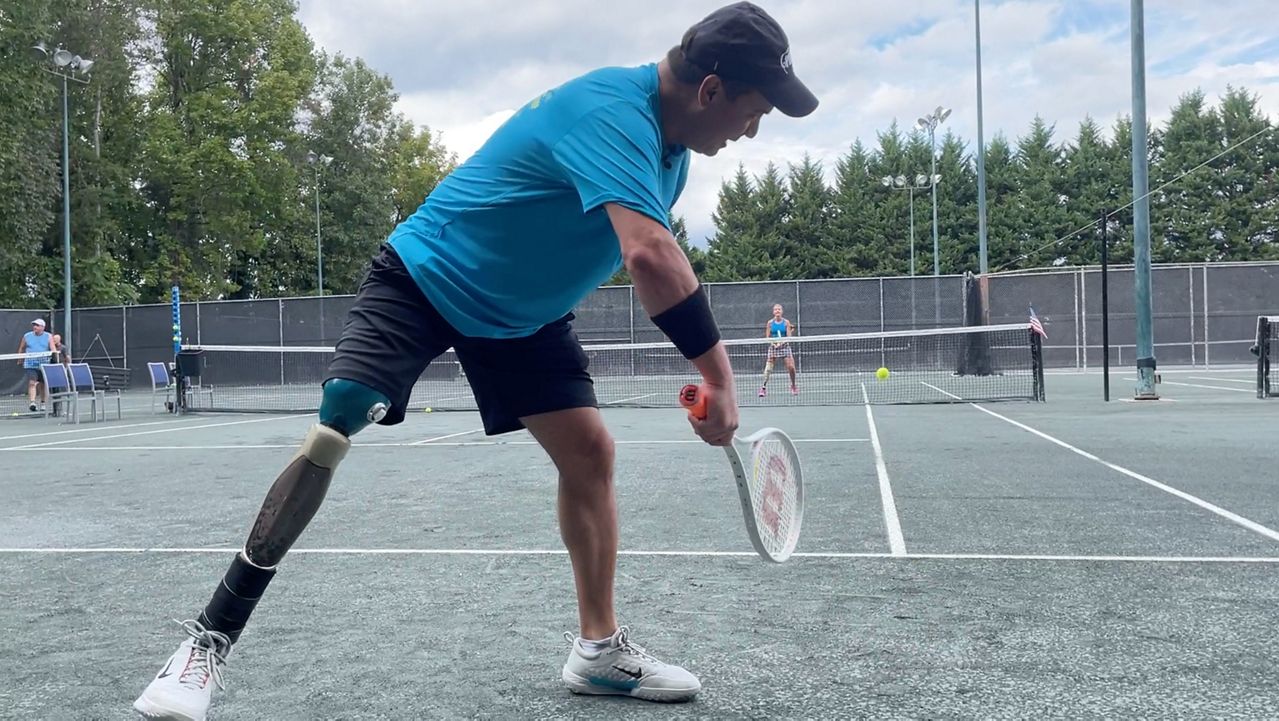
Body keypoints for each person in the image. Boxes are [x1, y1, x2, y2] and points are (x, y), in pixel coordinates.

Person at [132, 2, 817, 718]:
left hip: (521, 318)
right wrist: (718, 375)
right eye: (753, 111)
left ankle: (598, 650)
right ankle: (206, 643)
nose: (751, 129)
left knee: (590, 453)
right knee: (339, 418)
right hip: (428, 275)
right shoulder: (614, 111)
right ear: (711, 90)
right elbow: (649, 253)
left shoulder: (669, 154)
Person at [16, 318, 54, 413]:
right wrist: (20, 359)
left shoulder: (48, 336)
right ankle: (32, 403)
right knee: (32, 382)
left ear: (42, 327)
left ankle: (43, 403)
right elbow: (21, 348)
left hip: (44, 364)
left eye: (37, 325)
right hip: (30, 364)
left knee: (43, 384)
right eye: (34, 325)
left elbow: (53, 349)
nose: (35, 327)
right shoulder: (27, 336)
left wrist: (55, 358)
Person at [758, 303, 797, 396]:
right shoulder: (770, 323)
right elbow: (767, 337)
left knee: (791, 367)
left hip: (785, 346)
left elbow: (789, 337)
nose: (777, 311)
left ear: (782, 311)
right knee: (768, 369)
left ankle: (793, 386)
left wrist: (781, 343)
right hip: (773, 347)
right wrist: (774, 344)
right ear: (773, 312)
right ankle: (763, 388)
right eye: (775, 309)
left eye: (779, 309)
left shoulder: (786, 322)